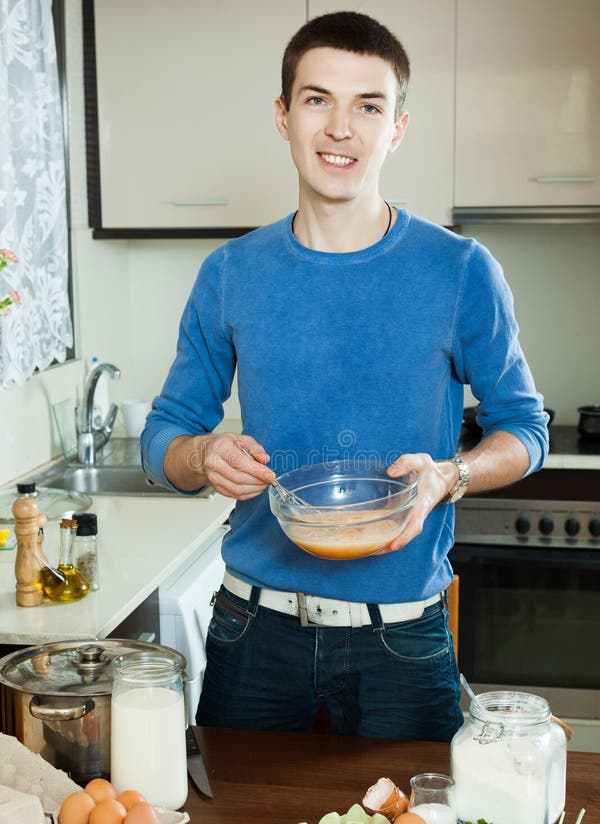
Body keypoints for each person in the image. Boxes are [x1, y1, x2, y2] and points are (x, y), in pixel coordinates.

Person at [141, 11, 548, 741]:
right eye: (317, 99)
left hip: (402, 639)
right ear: (283, 115)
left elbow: (525, 429)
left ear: (397, 127)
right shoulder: (232, 273)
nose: (340, 129)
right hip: (252, 635)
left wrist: (446, 477)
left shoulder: (459, 271)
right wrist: (201, 455)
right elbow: (165, 437)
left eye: (369, 106)